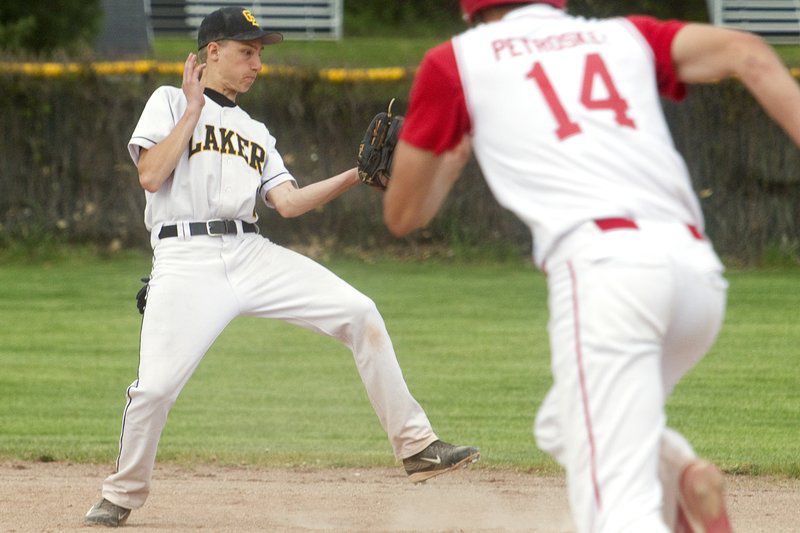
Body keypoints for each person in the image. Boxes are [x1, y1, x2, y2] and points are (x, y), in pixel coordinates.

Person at [384, 1, 800, 531]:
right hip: (696, 271)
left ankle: (660, 493)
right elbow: (748, 52)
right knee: (563, 423)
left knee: (618, 511)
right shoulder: (624, 35)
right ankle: (680, 477)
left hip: (608, 273)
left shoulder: (454, 63)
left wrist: (447, 163)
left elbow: (402, 215)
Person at [84, 6, 478, 528]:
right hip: (185, 260)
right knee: (154, 388)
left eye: (260, 53)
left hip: (251, 252)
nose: (257, 64)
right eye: (248, 52)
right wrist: (193, 109)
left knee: (360, 312)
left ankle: (417, 447)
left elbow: (288, 204)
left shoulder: (256, 131)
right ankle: (121, 494)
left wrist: (356, 176)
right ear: (212, 52)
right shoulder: (170, 102)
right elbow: (152, 175)